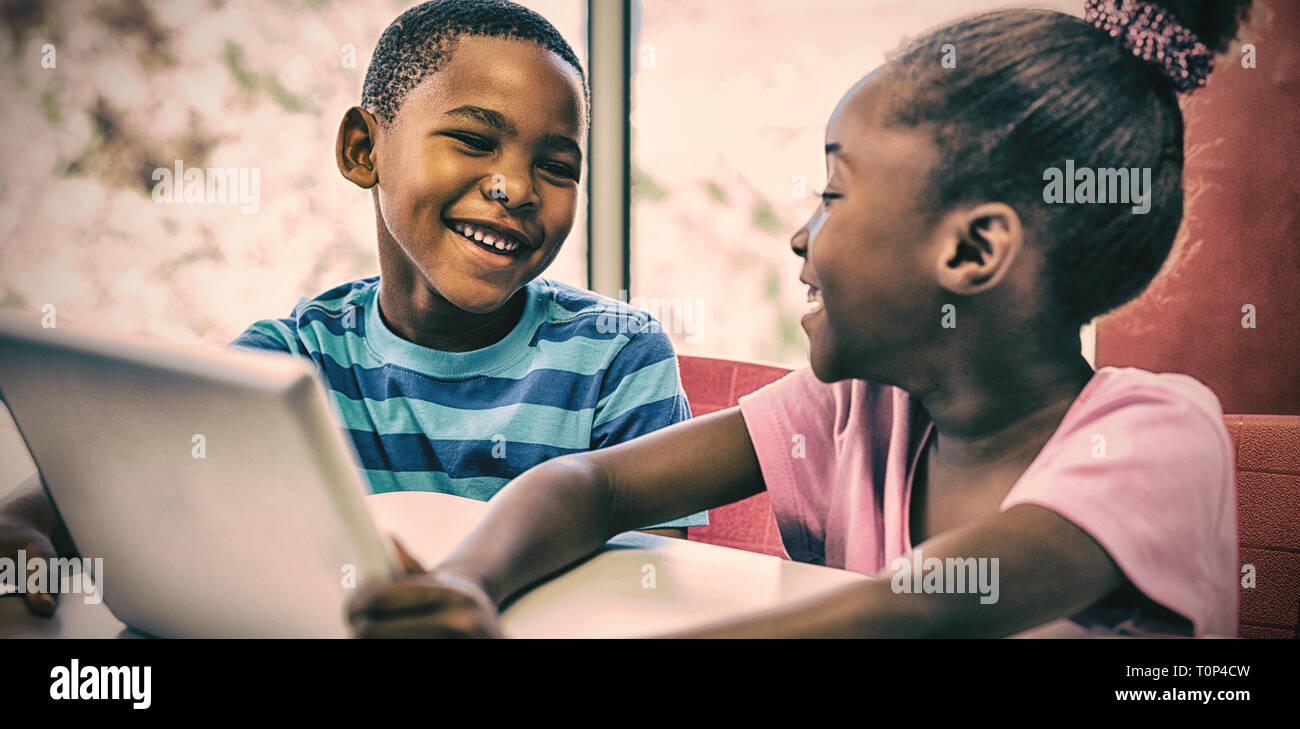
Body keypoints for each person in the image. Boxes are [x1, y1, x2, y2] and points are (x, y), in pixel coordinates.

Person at [347, 0, 1251, 638]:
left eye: (832, 193)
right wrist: (469, 580)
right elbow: (593, 486)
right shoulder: (857, 409)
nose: (797, 235)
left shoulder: (1156, 435)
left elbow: (917, 610)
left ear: (972, 252)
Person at [0, 0, 706, 619]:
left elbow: (644, 591)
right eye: (473, 140)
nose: (516, 187)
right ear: (363, 149)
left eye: (557, 166)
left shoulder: (619, 356)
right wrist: (23, 517)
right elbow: (132, 457)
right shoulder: (294, 357)